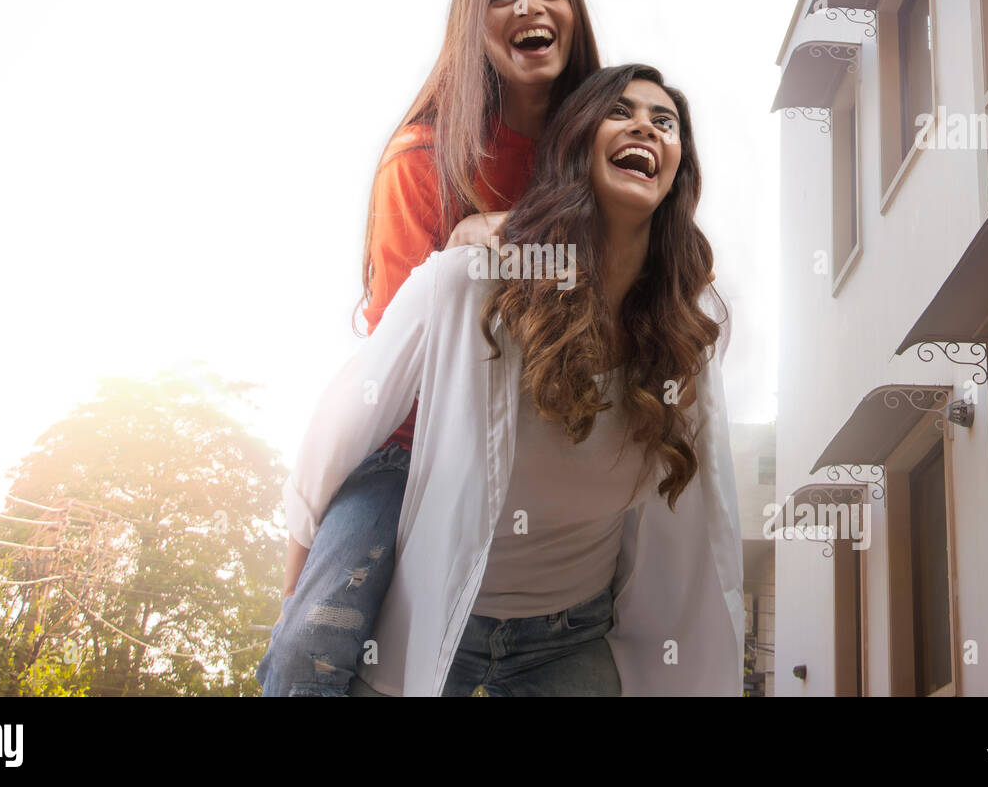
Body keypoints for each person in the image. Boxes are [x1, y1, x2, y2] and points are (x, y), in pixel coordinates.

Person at [279, 64, 745, 697]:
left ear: (678, 169)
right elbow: (333, 443)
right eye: (621, 112)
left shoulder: (690, 328)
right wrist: (297, 614)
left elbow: (702, 519)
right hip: (434, 622)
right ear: (575, 141)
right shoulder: (469, 283)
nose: (646, 126)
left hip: (573, 639)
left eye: (664, 122)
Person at [256, 0, 600, 696]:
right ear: (471, 28)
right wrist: (461, 245)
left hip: (550, 442)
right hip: (411, 451)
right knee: (306, 650)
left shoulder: (597, 160)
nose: (530, 7)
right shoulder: (421, 158)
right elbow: (396, 359)